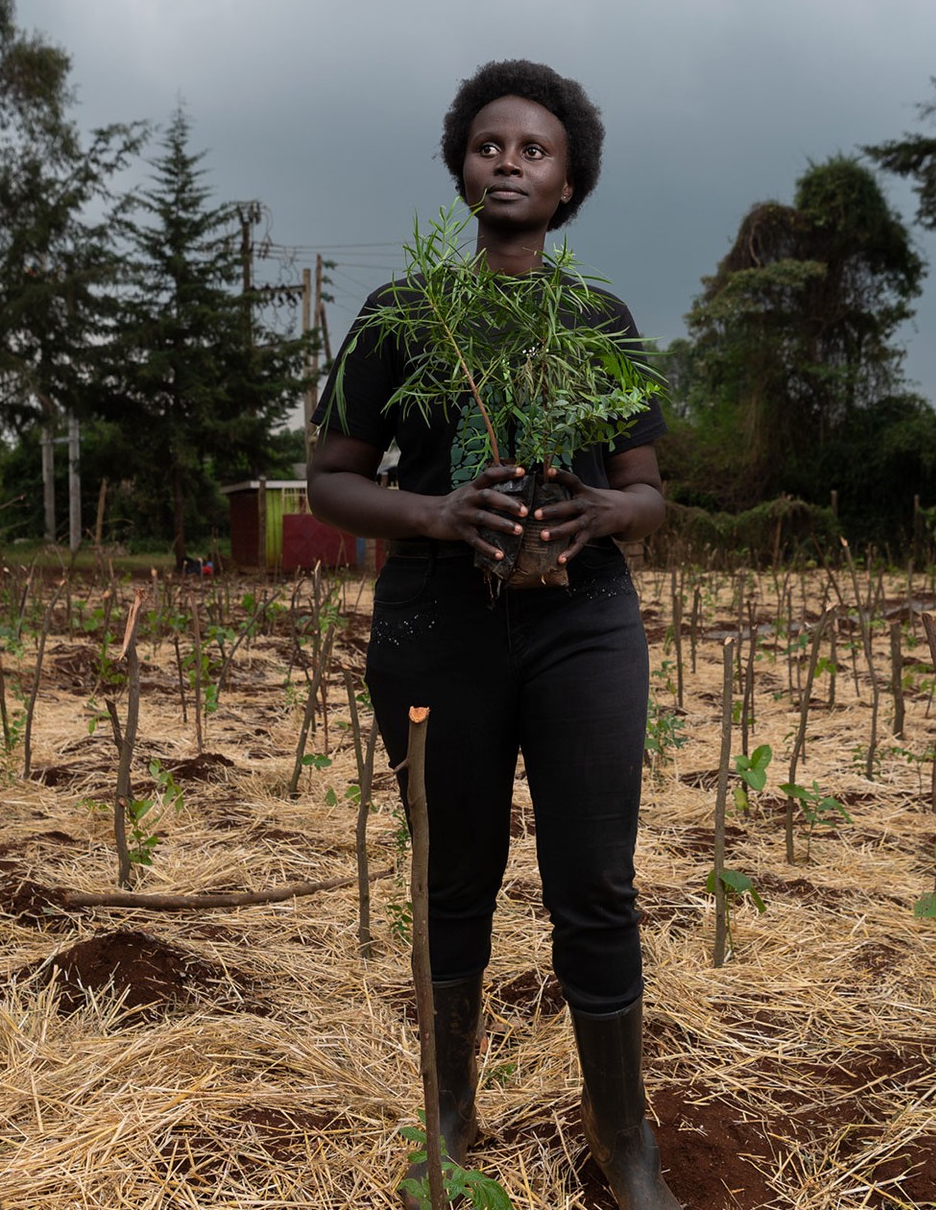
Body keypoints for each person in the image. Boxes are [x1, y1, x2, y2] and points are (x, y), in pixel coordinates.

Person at [308, 59, 681, 1210]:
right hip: (435, 620)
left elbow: (650, 490)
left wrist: (610, 509)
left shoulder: (599, 319)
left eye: (535, 150)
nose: (508, 161)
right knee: (452, 876)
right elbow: (328, 480)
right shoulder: (403, 315)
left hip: (583, 620)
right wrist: (434, 512)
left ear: (569, 186)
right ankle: (451, 1125)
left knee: (596, 882)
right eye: (488, 145)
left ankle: (625, 1143)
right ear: (461, 169)